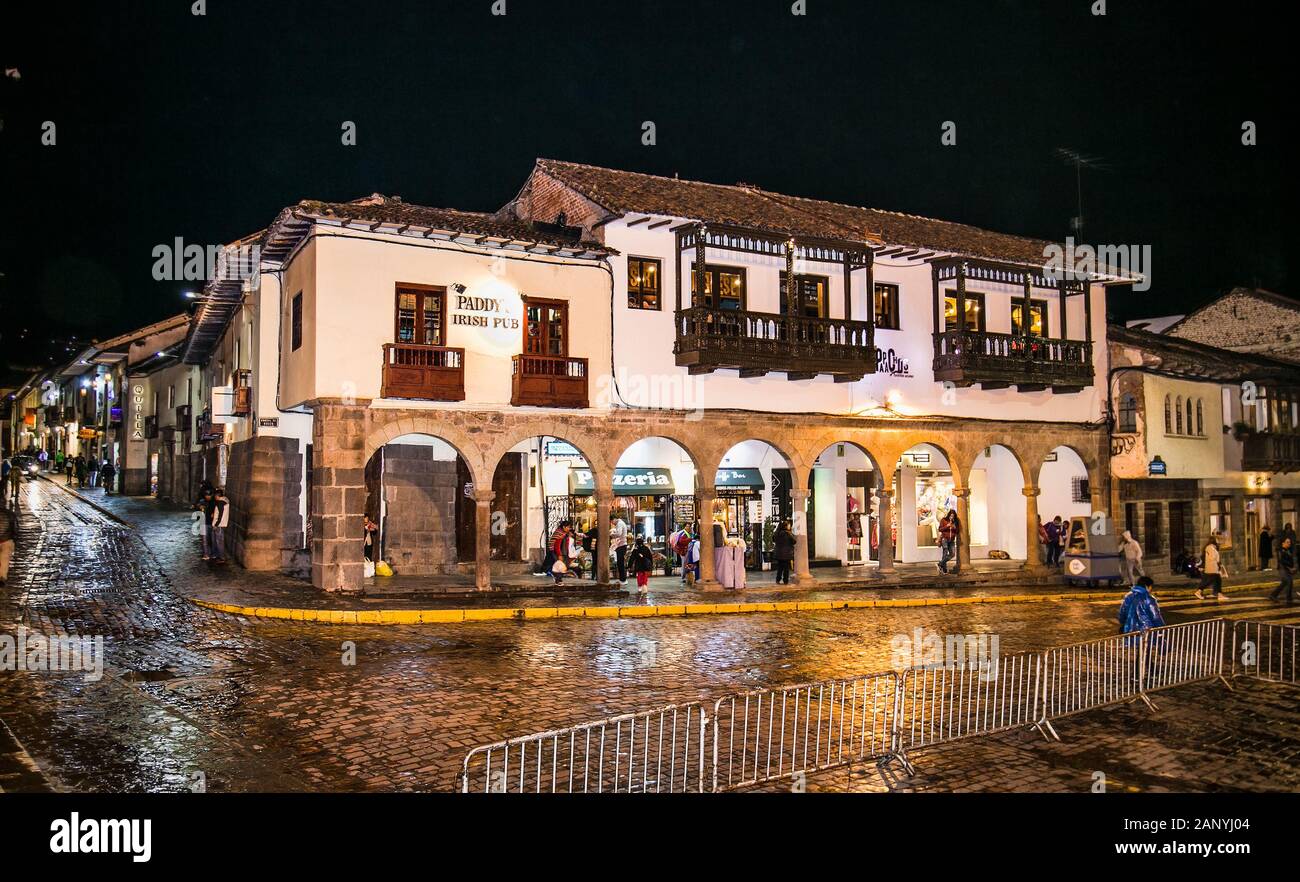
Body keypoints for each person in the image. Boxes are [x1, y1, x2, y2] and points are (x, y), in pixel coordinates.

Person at [1194, 534, 1226, 601]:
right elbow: (1212, 557)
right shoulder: (1210, 547)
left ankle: (1218, 594)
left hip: (1213, 567)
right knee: (1211, 581)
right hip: (1212, 567)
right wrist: (1218, 562)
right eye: (1216, 540)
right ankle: (1199, 591)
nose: (1218, 541)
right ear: (1213, 541)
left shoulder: (1212, 547)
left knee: (1214, 580)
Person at [1271, 536, 1295, 604]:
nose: (1289, 543)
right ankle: (1289, 599)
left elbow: (1291, 561)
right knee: (1289, 581)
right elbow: (1282, 561)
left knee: (1285, 583)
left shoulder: (1288, 550)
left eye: (1289, 542)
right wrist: (1289, 566)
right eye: (1287, 542)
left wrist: (1291, 566)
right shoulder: (1280, 550)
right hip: (1283, 568)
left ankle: (1273, 595)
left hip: (1287, 568)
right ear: (1283, 543)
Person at [209, 488, 230, 564]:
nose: (215, 497)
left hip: (219, 525)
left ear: (217, 496)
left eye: (215, 496)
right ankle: (216, 554)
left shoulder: (220, 503)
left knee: (219, 542)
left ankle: (222, 558)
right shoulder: (226, 500)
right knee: (216, 540)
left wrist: (216, 524)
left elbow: (220, 515)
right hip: (221, 524)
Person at [772, 519, 795, 585]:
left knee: (780, 567)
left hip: (778, 554)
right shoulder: (787, 534)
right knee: (786, 568)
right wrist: (790, 533)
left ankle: (778, 579)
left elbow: (773, 540)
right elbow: (794, 541)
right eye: (788, 525)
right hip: (786, 554)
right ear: (785, 526)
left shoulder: (776, 533)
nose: (789, 526)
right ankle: (785, 580)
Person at [550, 521, 572, 586]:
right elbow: (557, 545)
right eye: (568, 527)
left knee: (561, 566)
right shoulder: (560, 533)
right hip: (557, 552)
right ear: (564, 527)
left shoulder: (563, 533)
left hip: (561, 552)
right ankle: (558, 580)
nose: (569, 528)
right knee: (560, 566)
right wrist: (559, 554)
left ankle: (558, 579)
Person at [194, 488, 214, 560]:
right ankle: (206, 554)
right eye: (206, 495)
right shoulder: (202, 502)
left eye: (209, 495)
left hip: (211, 523)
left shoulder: (213, 502)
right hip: (203, 522)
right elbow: (197, 511)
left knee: (211, 539)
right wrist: (199, 507)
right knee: (204, 540)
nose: (207, 496)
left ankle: (212, 553)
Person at [0, 501, 17, 586]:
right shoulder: (10, 514)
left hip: (6, 540)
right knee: (5, 559)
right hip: (7, 540)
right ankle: (2, 577)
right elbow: (16, 529)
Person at [610, 512, 629, 585]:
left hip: (622, 545)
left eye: (612, 521)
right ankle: (622, 579)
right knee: (620, 563)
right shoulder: (620, 523)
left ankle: (623, 580)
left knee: (620, 563)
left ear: (614, 519)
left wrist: (611, 535)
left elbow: (619, 534)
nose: (612, 523)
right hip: (620, 545)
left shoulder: (619, 524)